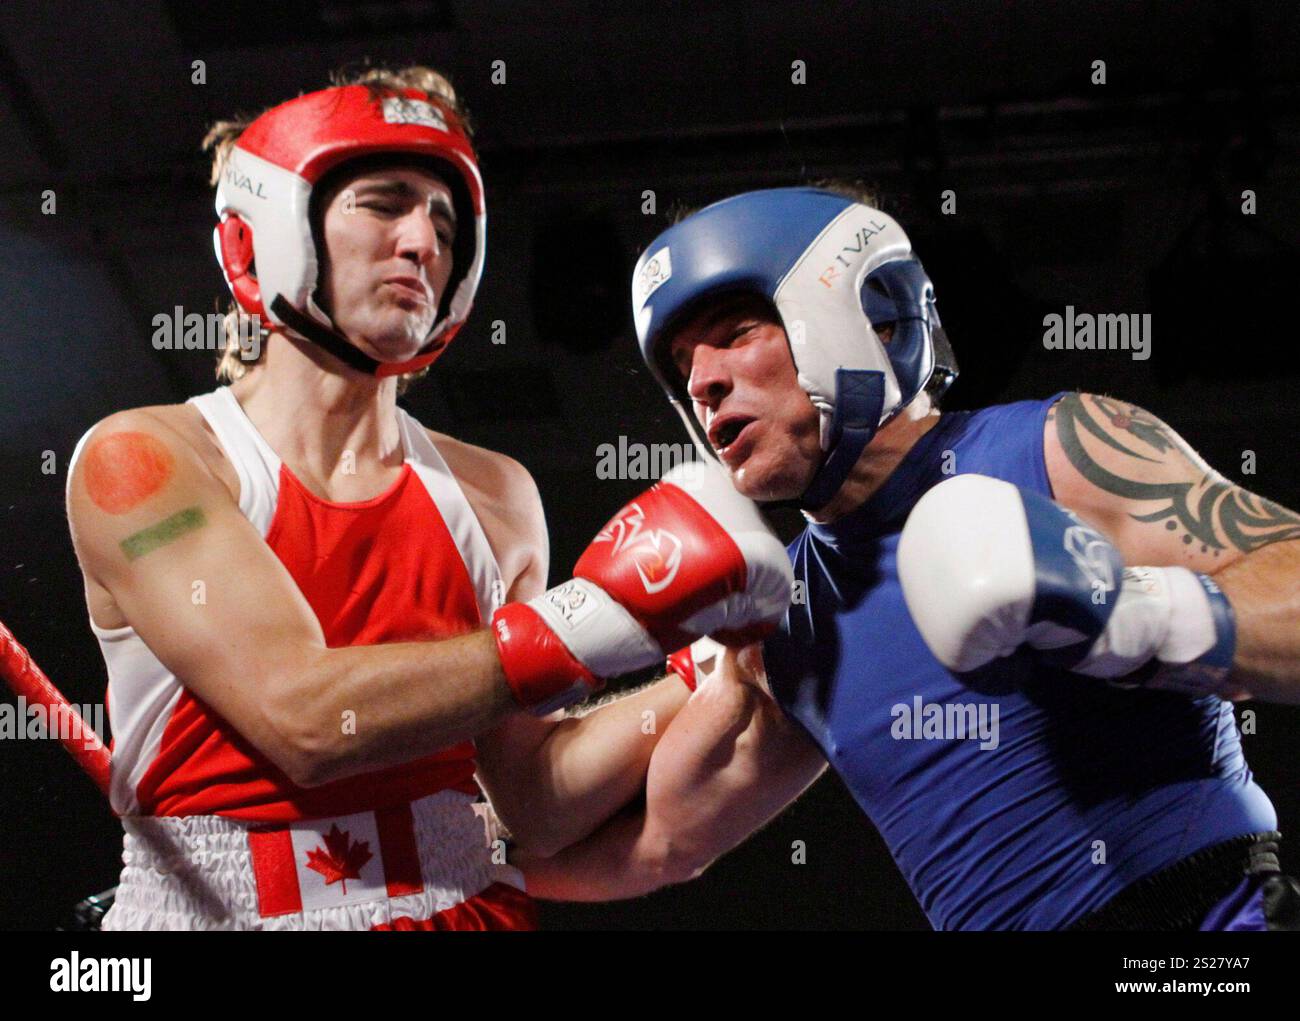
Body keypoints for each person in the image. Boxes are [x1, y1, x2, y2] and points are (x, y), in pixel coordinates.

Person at [63, 67, 791, 930]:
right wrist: (598, 617)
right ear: (261, 237)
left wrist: (696, 659)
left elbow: (534, 802)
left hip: (461, 906)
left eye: (445, 223)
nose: (423, 243)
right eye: (384, 204)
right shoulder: (144, 460)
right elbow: (304, 717)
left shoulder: (492, 495)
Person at [521, 186, 1300, 930]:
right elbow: (650, 844)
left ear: (862, 316)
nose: (702, 381)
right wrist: (452, 865)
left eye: (733, 333)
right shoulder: (780, 625)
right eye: (683, 364)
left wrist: (1133, 615)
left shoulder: (1058, 449)